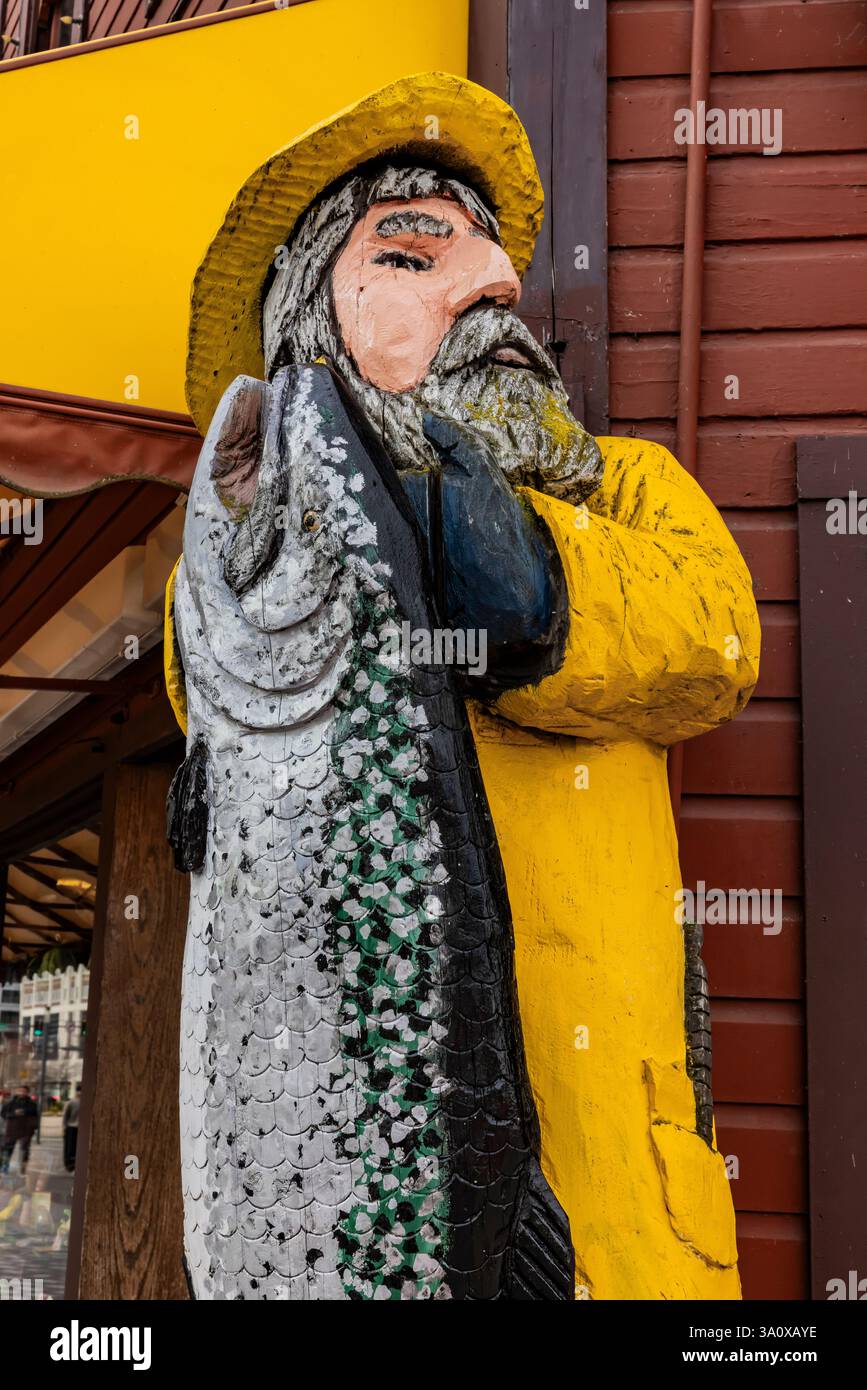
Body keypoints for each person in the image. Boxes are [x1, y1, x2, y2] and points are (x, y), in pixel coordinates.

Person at [169, 72, 760, 1299]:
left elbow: (713, 639)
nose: (495, 283)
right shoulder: (253, 561)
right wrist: (364, 537)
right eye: (413, 252)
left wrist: (531, 585)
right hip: (367, 1189)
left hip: (628, 1209)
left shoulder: (625, 487)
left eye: (492, 255)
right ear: (310, 330)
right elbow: (234, 709)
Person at [0, 1085, 38, 1175]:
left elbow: (36, 1117)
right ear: (16, 1092)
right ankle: (4, 1167)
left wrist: (34, 1129)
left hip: (26, 1130)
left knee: (25, 1150)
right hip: (11, 1130)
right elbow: (3, 1114)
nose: (21, 1092)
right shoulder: (10, 1103)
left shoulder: (32, 1104)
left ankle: (22, 1168)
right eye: (20, 1091)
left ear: (27, 1092)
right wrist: (13, 1114)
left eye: (24, 1091)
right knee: (7, 1149)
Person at [62, 1085, 81, 1173]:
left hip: (80, 1128)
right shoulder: (71, 1102)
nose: (80, 1093)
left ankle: (74, 1164)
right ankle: (69, 1164)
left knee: (77, 1147)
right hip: (71, 1127)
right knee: (69, 1147)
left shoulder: (86, 1102)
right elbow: (65, 1116)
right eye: (79, 1091)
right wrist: (64, 1128)